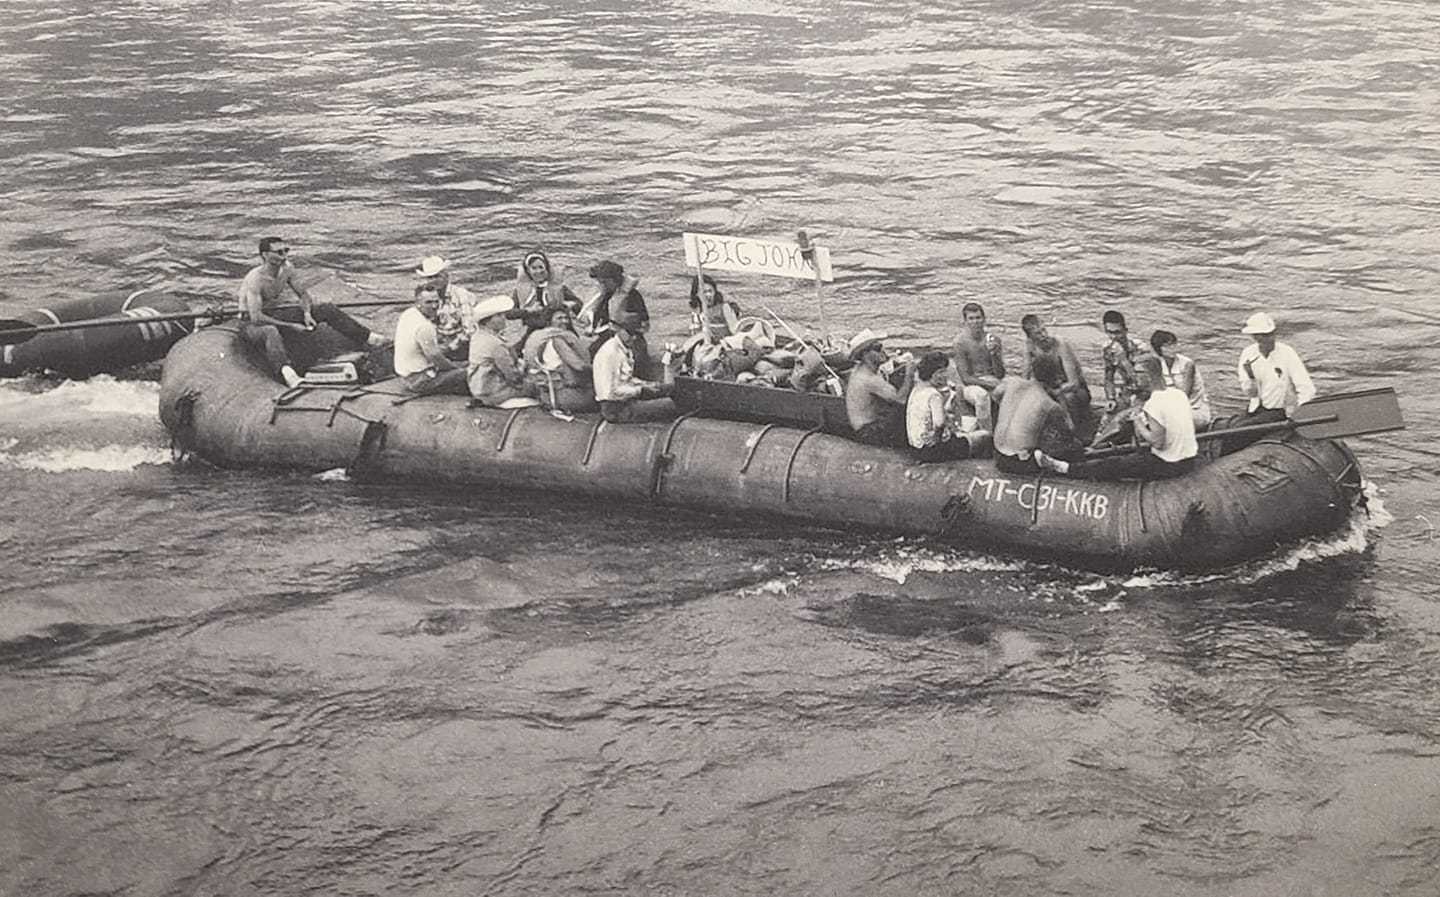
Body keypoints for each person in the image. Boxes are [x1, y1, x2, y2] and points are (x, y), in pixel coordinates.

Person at [236, 236, 387, 387]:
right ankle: (288, 374)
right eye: (279, 252)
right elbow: (256, 317)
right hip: (250, 322)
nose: (284, 256)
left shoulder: (287, 268)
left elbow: (304, 295)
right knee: (271, 331)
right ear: (265, 255)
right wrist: (291, 326)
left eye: (285, 251)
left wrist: (307, 313)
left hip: (273, 312)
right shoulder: (255, 279)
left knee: (326, 309)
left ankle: (369, 338)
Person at [1070, 354, 1198, 480]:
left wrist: (1138, 422)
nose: (1133, 376)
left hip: (1167, 464)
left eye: (1137, 372)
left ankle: (1068, 469)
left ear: (1148, 375)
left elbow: (1157, 442)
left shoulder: (1154, 403)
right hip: (1189, 459)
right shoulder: (1178, 394)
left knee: (1112, 464)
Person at [990, 354, 1087, 475]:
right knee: (1076, 446)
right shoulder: (1049, 404)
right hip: (1021, 463)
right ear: (1056, 378)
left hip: (997, 454)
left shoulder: (1012, 383)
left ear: (1032, 370)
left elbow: (995, 396)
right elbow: (1069, 431)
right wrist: (1060, 397)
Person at [1020, 314, 1093, 440]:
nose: (1044, 335)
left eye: (1044, 330)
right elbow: (1025, 378)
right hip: (1051, 387)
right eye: (1038, 333)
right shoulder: (1029, 347)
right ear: (1030, 337)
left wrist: (1055, 392)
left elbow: (1074, 383)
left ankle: (1079, 434)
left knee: (1069, 397)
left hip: (1075, 391)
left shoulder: (1060, 344)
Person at [592, 315, 673, 422]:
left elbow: (626, 379)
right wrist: (640, 390)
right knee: (669, 404)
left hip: (626, 400)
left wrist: (646, 384)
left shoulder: (624, 347)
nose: (634, 337)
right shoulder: (610, 353)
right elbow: (610, 392)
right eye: (630, 333)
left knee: (668, 388)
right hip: (616, 408)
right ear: (619, 330)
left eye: (637, 334)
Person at [1237, 312, 1315, 422]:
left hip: (1281, 411)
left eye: (1271, 334)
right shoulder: (1248, 354)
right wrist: (1250, 377)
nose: (1270, 339)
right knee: (1234, 426)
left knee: (1242, 430)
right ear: (1255, 337)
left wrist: (1300, 414)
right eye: (1264, 335)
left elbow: (1306, 387)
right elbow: (1250, 393)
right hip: (1256, 408)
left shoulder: (1287, 353)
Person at [393, 284, 470, 395]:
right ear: (418, 303)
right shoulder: (424, 326)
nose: (434, 306)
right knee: (472, 371)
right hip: (420, 380)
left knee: (467, 363)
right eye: (428, 302)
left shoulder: (408, 314)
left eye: (436, 301)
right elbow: (434, 356)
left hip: (406, 375)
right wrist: (454, 368)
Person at [844, 329, 915, 448]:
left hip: (863, 426)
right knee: (906, 409)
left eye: (881, 346)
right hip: (869, 431)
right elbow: (901, 399)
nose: (882, 350)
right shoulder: (870, 379)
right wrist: (909, 374)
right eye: (877, 348)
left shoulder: (859, 370)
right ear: (865, 355)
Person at [585, 260, 655, 378]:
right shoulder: (604, 296)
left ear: (615, 279)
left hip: (629, 336)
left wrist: (625, 321)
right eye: (600, 282)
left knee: (637, 359)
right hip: (608, 335)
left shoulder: (632, 296)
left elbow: (644, 323)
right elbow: (597, 318)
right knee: (593, 350)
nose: (602, 285)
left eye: (605, 282)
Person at [468, 295, 541, 408]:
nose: (504, 318)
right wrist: (523, 368)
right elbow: (513, 376)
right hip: (495, 392)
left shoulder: (478, 336)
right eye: (498, 316)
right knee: (539, 387)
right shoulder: (495, 344)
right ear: (487, 321)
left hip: (479, 387)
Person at [522, 306, 597, 413]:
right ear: (549, 320)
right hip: (561, 394)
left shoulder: (536, 336)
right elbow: (579, 366)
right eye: (559, 318)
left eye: (566, 318)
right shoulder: (557, 340)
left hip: (542, 390)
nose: (565, 321)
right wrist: (599, 370)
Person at [1091, 310, 1149, 447]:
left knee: (1121, 421)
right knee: (1106, 420)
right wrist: (1110, 397)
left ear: (1125, 331)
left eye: (1117, 332)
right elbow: (1108, 378)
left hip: (1146, 395)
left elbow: (1140, 383)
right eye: (1110, 332)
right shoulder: (1108, 349)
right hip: (1127, 393)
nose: (1113, 337)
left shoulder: (1141, 349)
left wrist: (1123, 359)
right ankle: (1096, 446)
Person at [906, 351, 971, 462]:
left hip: (916, 447)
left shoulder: (916, 389)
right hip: (932, 450)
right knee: (983, 437)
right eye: (942, 372)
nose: (945, 375)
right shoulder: (934, 395)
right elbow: (939, 422)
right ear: (934, 374)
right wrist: (936, 438)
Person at [951, 301, 1005, 430]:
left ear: (984, 319)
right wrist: (992, 384)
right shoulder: (960, 343)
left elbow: (1000, 374)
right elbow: (965, 378)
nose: (975, 322)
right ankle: (987, 434)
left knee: (1014, 389)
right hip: (969, 385)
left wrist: (994, 354)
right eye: (971, 318)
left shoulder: (994, 339)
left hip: (992, 379)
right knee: (982, 396)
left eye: (978, 318)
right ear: (965, 321)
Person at [415, 255, 479, 361]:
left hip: (463, 347)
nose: (433, 281)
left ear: (446, 276)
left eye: (437, 276)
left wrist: (449, 348)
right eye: (430, 278)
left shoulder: (461, 295)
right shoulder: (427, 297)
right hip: (442, 345)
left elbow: (470, 330)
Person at [1150, 329, 1212, 429]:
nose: (1172, 348)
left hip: (1194, 410)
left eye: (1173, 344)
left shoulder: (1187, 364)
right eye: (1166, 346)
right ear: (1159, 349)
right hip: (1170, 410)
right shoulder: (1157, 365)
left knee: (1169, 420)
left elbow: (1183, 396)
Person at [512, 249, 582, 330]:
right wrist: (528, 311)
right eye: (534, 268)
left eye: (541, 267)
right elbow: (509, 314)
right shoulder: (520, 290)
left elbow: (579, 305)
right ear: (528, 270)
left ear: (547, 268)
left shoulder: (559, 287)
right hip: (534, 330)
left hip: (561, 327)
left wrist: (571, 304)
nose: (538, 271)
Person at [688, 274, 742, 342]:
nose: (708, 295)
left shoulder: (724, 308)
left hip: (723, 345)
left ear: (715, 291)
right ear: (696, 294)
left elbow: (735, 331)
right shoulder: (696, 313)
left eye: (710, 291)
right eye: (704, 292)